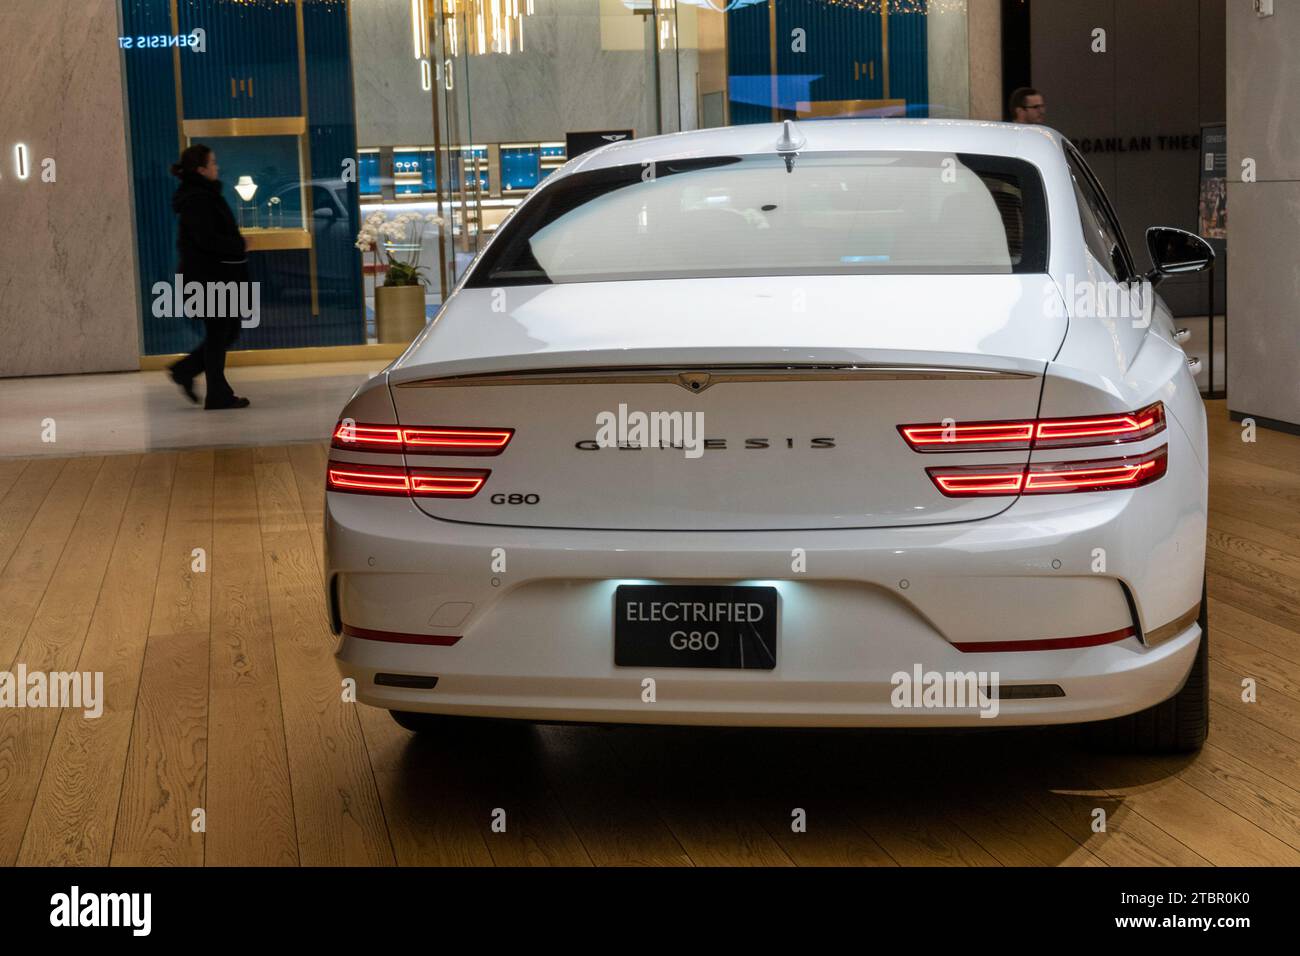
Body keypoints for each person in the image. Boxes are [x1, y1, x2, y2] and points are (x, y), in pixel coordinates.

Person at [166, 144, 251, 410]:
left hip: (212, 276)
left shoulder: (202, 195)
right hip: (208, 278)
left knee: (226, 330)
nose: (217, 167)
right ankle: (217, 393)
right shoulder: (198, 199)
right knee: (219, 332)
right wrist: (239, 245)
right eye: (212, 162)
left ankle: (186, 370)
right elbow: (206, 239)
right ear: (201, 169)